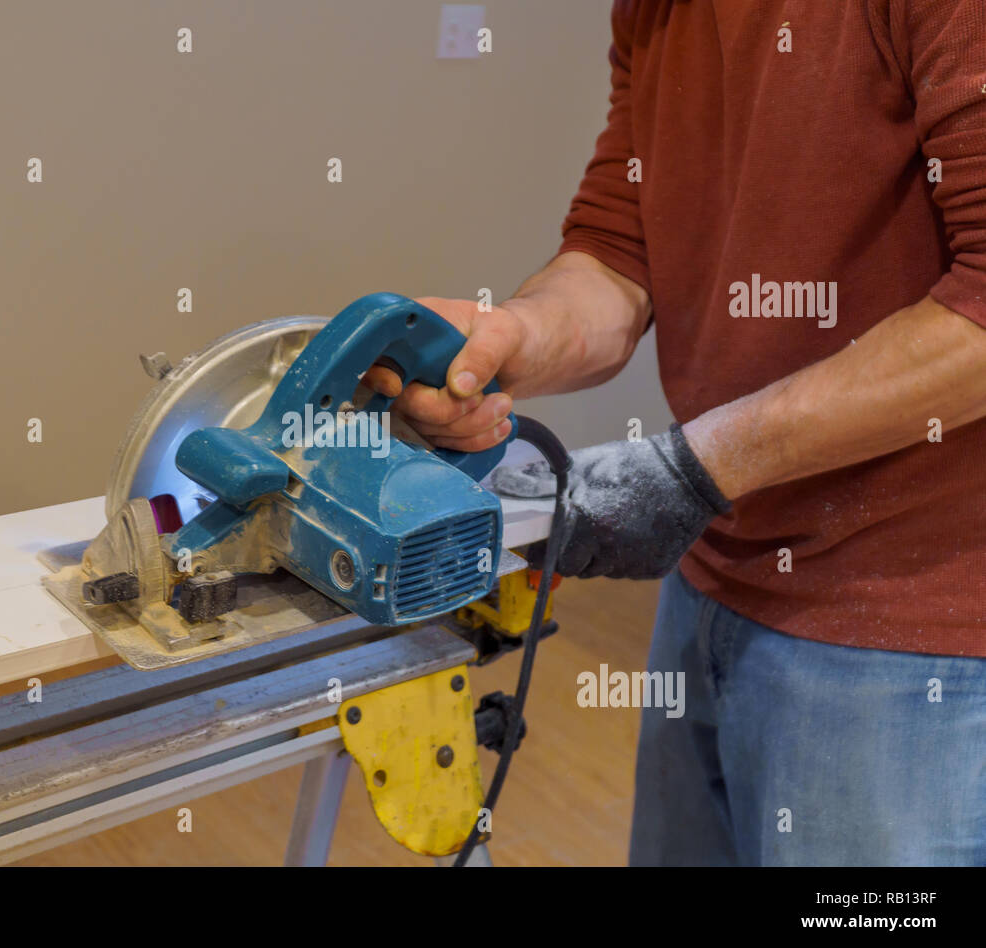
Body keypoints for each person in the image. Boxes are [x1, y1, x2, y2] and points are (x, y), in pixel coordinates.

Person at [367, 0, 986, 865]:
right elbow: (621, 249)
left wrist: (696, 467)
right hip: (714, 569)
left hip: (909, 634)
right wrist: (509, 339)